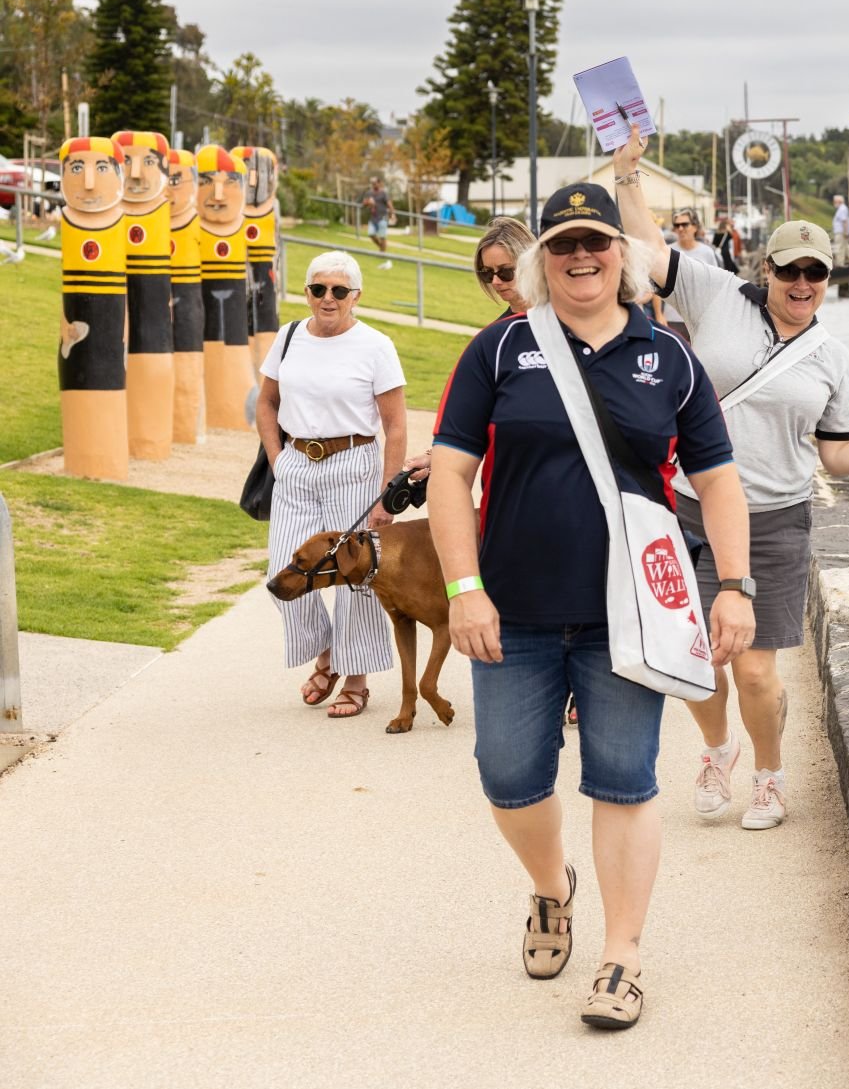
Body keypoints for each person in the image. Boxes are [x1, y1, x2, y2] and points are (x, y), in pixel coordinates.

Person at [428, 182, 754, 1030]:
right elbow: (451, 474)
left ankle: (623, 956)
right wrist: (465, 589)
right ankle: (550, 886)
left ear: (624, 253)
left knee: (624, 778)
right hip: (516, 611)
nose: (582, 256)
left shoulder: (669, 356)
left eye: (597, 242)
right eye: (564, 243)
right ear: (543, 257)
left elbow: (718, 479)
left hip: (633, 616)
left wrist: (735, 585)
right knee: (507, 776)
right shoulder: (499, 350)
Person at [611, 126, 849, 831]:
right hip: (695, 507)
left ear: (828, 279)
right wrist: (627, 177)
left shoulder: (831, 359)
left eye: (814, 274)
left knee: (755, 669)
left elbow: (834, 455)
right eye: (789, 271)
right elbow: (646, 250)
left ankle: (768, 773)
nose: (801, 285)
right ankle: (716, 746)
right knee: (697, 657)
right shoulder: (713, 294)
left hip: (776, 518)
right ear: (765, 269)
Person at [257, 250, 409, 719]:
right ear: (306, 292)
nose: (328, 298)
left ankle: (355, 676)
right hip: (297, 464)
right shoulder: (287, 338)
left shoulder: (376, 346)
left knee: (354, 575)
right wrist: (278, 461)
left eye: (339, 291)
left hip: (354, 464)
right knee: (284, 571)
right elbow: (266, 404)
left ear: (355, 296)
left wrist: (387, 492)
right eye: (318, 289)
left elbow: (396, 424)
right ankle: (327, 652)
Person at [658, 208, 722, 340]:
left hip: (700, 318)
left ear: (695, 226)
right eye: (677, 225)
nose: (680, 228)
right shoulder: (667, 252)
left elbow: (715, 286)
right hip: (673, 318)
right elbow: (658, 285)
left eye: (685, 224)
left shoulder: (707, 253)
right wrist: (659, 314)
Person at [474, 215, 534, 317]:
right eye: (487, 273)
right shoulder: (497, 331)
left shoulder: (565, 317)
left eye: (505, 272)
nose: (495, 282)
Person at [361, 179, 392, 264]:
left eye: (375, 183)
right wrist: (368, 202)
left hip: (383, 217)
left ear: (379, 183)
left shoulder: (383, 193)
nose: (374, 185)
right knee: (371, 234)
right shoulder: (369, 193)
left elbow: (389, 204)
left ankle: (382, 253)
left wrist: (392, 214)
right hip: (373, 218)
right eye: (372, 183)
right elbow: (363, 204)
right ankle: (382, 248)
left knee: (382, 236)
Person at [830, 193, 849, 260]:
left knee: (839, 247)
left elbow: (844, 221)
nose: (834, 203)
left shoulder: (842, 209)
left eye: (835, 201)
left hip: (840, 232)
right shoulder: (842, 208)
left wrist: (845, 232)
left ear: (839, 201)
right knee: (845, 247)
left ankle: (840, 263)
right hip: (841, 231)